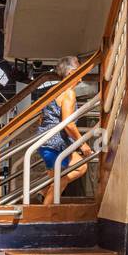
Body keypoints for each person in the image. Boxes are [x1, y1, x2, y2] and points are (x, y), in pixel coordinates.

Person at [37, 56, 92, 206]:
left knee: (79, 166)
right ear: (70, 73)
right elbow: (68, 124)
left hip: (49, 142)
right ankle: (44, 214)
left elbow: (42, 118)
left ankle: (43, 191)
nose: (81, 78)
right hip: (56, 144)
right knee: (60, 180)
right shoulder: (68, 93)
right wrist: (83, 144)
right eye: (79, 73)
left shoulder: (52, 90)